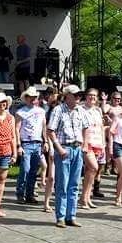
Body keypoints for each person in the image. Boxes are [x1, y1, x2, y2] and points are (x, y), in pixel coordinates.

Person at [47, 84, 90, 228]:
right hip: (64, 149)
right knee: (62, 185)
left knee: (74, 184)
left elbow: (86, 128)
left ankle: (71, 216)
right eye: (76, 95)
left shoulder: (81, 110)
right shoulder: (58, 110)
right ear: (67, 96)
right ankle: (60, 217)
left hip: (77, 149)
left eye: (79, 95)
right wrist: (59, 148)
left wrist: (84, 145)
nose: (79, 97)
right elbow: (50, 130)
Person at [15, 87, 46, 204]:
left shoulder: (41, 111)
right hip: (26, 143)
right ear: (26, 98)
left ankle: (30, 194)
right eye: (30, 97)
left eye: (35, 97)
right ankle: (20, 193)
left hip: (38, 143)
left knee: (34, 170)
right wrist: (18, 145)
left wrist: (46, 141)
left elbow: (44, 127)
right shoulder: (21, 112)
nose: (33, 99)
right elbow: (16, 129)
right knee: (25, 169)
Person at [80, 88, 107, 209]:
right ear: (86, 96)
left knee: (91, 171)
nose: (92, 98)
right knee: (94, 167)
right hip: (86, 142)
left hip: (97, 143)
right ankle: (84, 197)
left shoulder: (98, 110)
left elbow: (101, 127)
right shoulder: (81, 109)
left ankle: (86, 197)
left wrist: (103, 142)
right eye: (90, 95)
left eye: (95, 96)